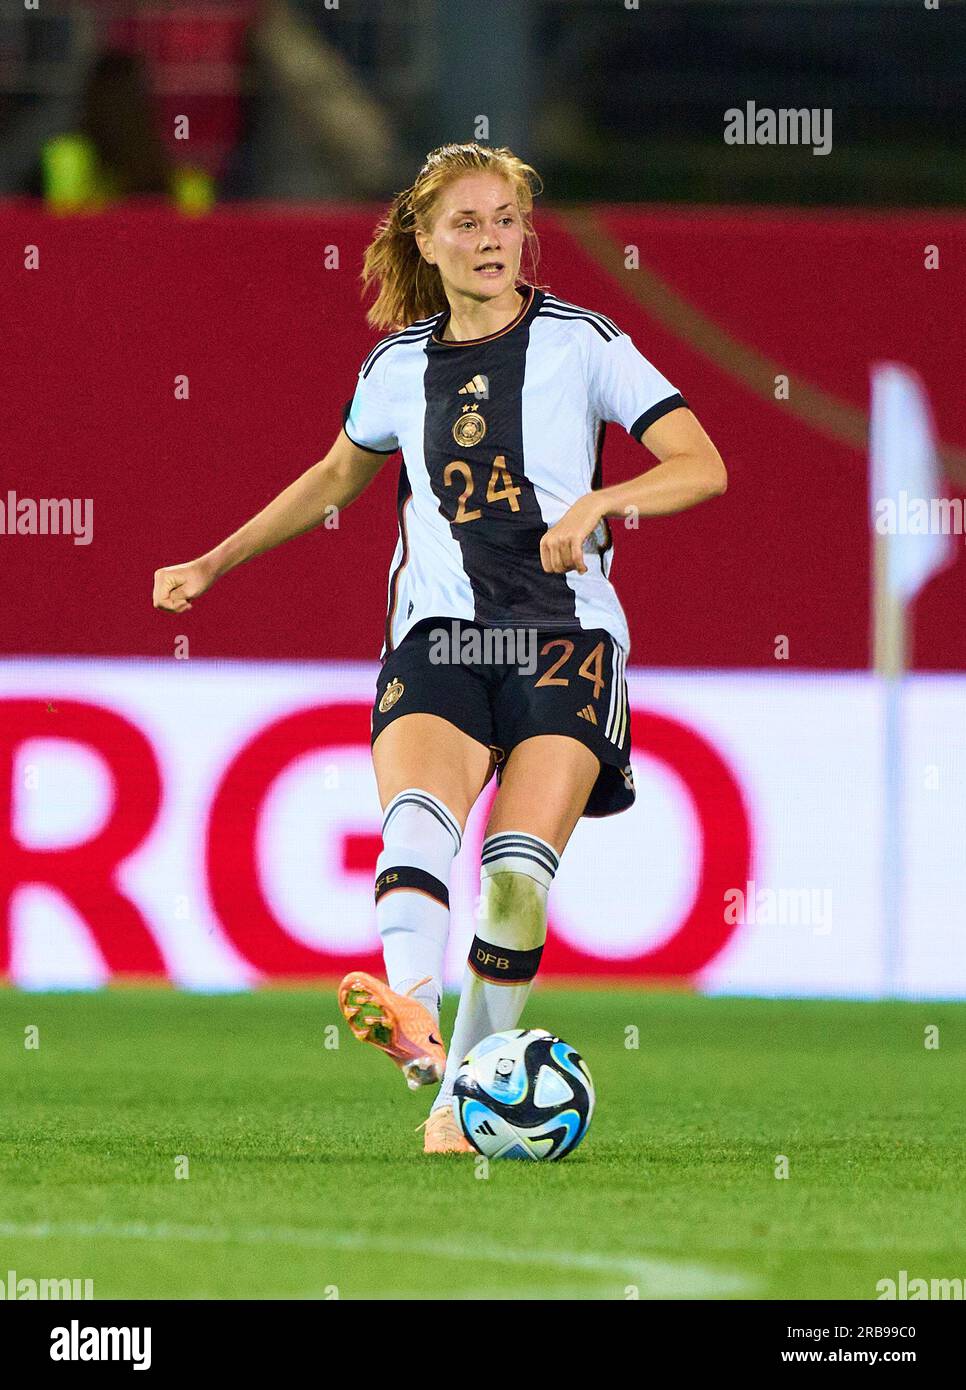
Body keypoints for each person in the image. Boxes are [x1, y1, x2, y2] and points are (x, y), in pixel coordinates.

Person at [152, 141, 727, 1154]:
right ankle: (422, 1034)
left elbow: (701, 464)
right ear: (425, 239)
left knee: (514, 878)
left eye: (505, 219)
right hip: (441, 632)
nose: (491, 239)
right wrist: (214, 559)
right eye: (466, 223)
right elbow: (335, 479)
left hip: (567, 638)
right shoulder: (395, 367)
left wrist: (603, 497)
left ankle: (455, 1097)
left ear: (526, 234)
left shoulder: (584, 344)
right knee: (415, 824)